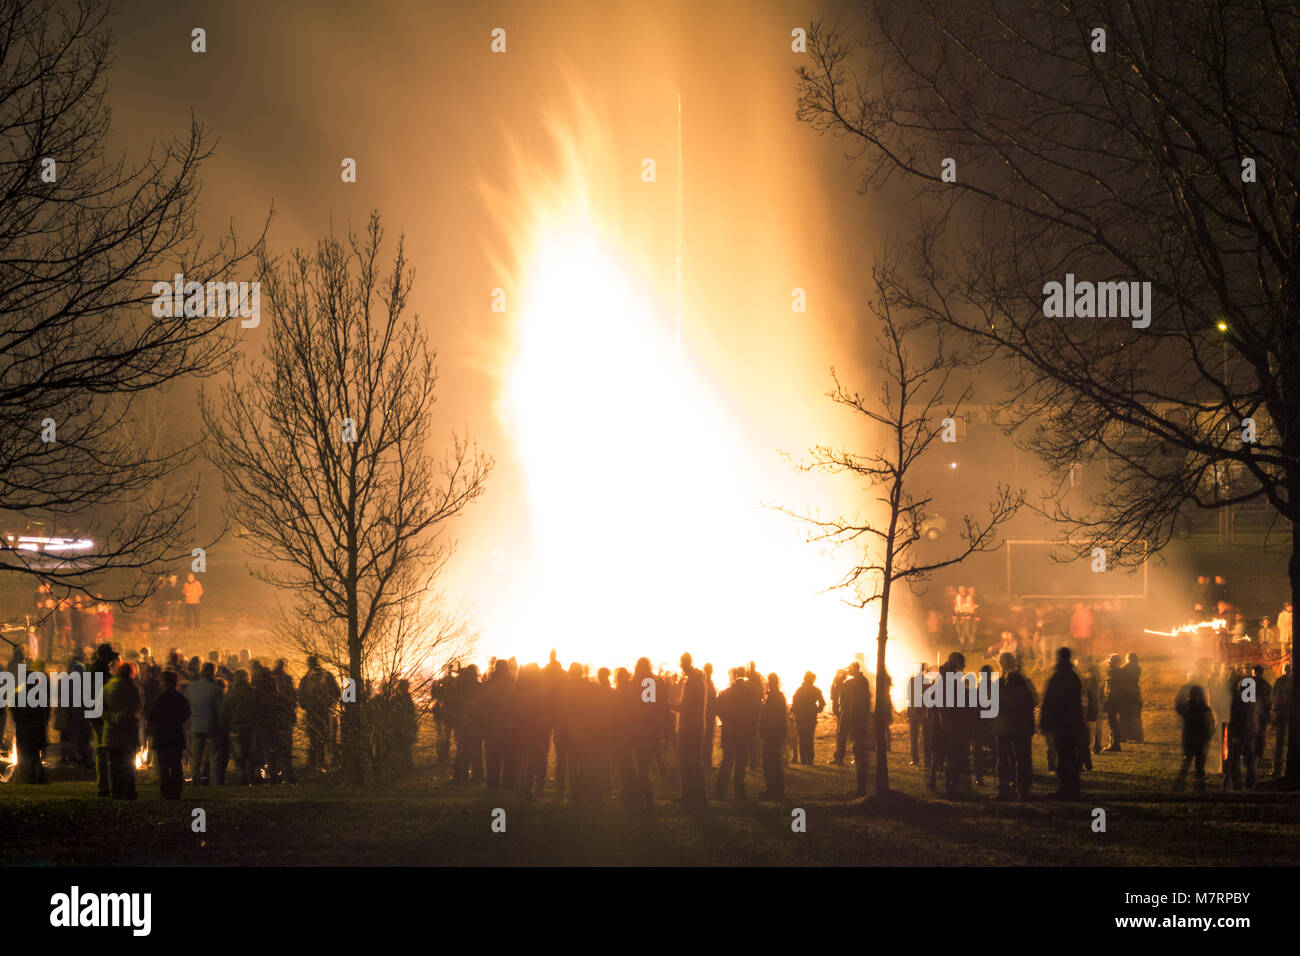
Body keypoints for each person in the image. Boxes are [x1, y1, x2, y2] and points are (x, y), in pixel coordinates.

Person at [1040, 646, 1085, 799]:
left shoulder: (1058, 677)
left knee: (1063, 755)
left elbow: (1050, 700)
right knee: (1071, 755)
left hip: (1061, 723)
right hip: (1073, 722)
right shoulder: (1074, 676)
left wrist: (1045, 721)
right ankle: (1073, 788)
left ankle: (1065, 788)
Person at [994, 652, 1036, 800]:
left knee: (1004, 759)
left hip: (1004, 728)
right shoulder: (1025, 686)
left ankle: (1004, 789)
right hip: (1021, 728)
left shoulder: (999, 685)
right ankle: (1023, 789)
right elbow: (1033, 701)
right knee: (1022, 758)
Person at [102, 661, 142, 799]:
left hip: (111, 731)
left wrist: (112, 717)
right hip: (128, 729)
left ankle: (115, 790)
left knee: (113, 763)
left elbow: (101, 708)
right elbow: (138, 706)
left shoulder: (107, 687)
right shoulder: (133, 689)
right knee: (128, 762)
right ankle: (129, 790)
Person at [148, 670, 191, 799]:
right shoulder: (180, 698)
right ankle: (177, 791)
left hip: (162, 735)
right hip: (176, 735)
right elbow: (187, 713)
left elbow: (152, 716)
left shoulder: (160, 698)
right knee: (176, 765)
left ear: (164, 682)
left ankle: (166, 791)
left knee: (163, 766)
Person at [715, 668, 756, 798]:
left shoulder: (726, 693)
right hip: (742, 732)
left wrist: (726, 721)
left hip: (730, 731)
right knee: (740, 761)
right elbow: (755, 712)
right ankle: (739, 790)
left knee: (728, 759)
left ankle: (721, 790)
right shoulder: (748, 694)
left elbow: (718, 708)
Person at [87, 643, 119, 796]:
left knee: (101, 752)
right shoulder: (106, 677)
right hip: (106, 717)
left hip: (94, 716)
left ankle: (103, 785)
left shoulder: (91, 674)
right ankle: (111, 785)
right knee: (110, 752)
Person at [674, 653, 706, 803]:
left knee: (685, 761)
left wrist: (668, 705)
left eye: (682, 663)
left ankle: (687, 794)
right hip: (697, 726)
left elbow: (684, 707)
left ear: (685, 663)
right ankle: (699, 793)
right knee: (695, 760)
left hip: (688, 727)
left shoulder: (691, 683)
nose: (681, 666)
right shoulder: (700, 682)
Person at [185, 661, 223, 785]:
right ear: (213, 672)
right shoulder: (216, 689)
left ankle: (195, 783)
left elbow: (186, 704)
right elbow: (221, 708)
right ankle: (214, 783)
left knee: (196, 758)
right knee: (214, 758)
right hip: (211, 725)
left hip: (196, 725)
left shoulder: (192, 687)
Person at [13, 659, 50, 784]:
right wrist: (44, 723)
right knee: (35, 754)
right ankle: (38, 778)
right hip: (37, 726)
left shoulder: (18, 694)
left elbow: (14, 713)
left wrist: (18, 722)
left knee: (24, 754)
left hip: (23, 727)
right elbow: (47, 711)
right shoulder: (41, 694)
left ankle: (26, 778)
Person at [839, 661, 872, 797]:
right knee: (859, 748)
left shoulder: (851, 683)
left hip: (854, 718)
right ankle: (861, 786)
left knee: (859, 750)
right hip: (859, 718)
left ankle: (861, 788)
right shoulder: (862, 681)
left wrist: (841, 678)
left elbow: (843, 701)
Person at [1173, 683, 1214, 792]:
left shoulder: (1187, 707)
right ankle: (1198, 787)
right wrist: (1209, 737)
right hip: (1199, 740)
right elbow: (1210, 725)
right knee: (1198, 766)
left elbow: (1178, 706)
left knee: (1188, 764)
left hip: (1191, 740)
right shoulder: (1204, 709)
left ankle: (1181, 785)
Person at [1223, 669, 1259, 790]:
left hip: (1240, 733)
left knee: (1235, 758)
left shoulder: (1238, 701)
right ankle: (1250, 782)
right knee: (1250, 759)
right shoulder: (1254, 702)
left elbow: (1235, 718)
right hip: (1251, 732)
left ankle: (1237, 783)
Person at [219, 669, 256, 785]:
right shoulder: (254, 692)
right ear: (247, 678)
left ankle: (243, 780)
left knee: (239, 758)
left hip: (235, 729)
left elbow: (223, 713)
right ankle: (252, 780)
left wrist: (225, 726)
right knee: (251, 756)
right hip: (252, 728)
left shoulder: (231, 694)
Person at [759, 673, 788, 799]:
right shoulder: (779, 697)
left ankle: (773, 790)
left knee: (770, 762)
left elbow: (770, 716)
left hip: (772, 733)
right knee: (774, 761)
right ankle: (776, 790)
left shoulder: (773, 698)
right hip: (776, 733)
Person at [790, 671, 825, 766]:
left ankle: (803, 759)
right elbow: (822, 703)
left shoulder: (799, 690)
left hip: (801, 717)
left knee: (802, 738)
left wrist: (793, 713)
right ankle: (810, 759)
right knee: (809, 738)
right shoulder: (815, 690)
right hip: (811, 717)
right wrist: (817, 710)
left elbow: (794, 703)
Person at [905, 664, 929, 767]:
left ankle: (915, 759)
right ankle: (926, 760)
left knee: (914, 736)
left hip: (914, 711)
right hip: (922, 711)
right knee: (925, 736)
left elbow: (908, 695)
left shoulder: (912, 680)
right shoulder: (926, 681)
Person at [1102, 654, 1126, 752]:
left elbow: (1112, 690)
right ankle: (1115, 743)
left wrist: (1108, 701)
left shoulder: (1114, 673)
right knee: (1114, 721)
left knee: (1112, 722)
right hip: (1119, 700)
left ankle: (1114, 744)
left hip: (1113, 700)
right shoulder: (1121, 673)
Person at [1273, 664, 1291, 778]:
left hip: (1283, 714)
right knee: (1284, 742)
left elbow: (1274, 697)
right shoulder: (1293, 681)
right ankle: (1279, 769)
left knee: (1280, 743)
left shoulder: (1279, 681)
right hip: (1289, 715)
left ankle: (1278, 769)